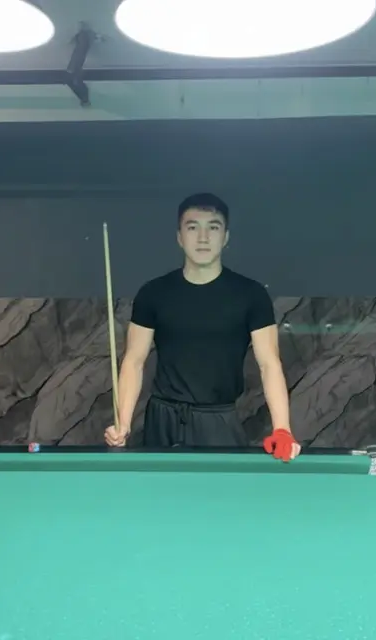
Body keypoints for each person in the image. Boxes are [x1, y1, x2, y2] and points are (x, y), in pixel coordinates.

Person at [104, 193, 300, 461]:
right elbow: (134, 360)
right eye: (193, 227)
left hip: (218, 419)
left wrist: (283, 429)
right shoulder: (153, 293)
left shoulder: (251, 295)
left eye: (213, 227)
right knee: (159, 488)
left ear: (226, 237)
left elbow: (269, 364)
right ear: (179, 237)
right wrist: (123, 423)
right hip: (161, 420)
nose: (203, 238)